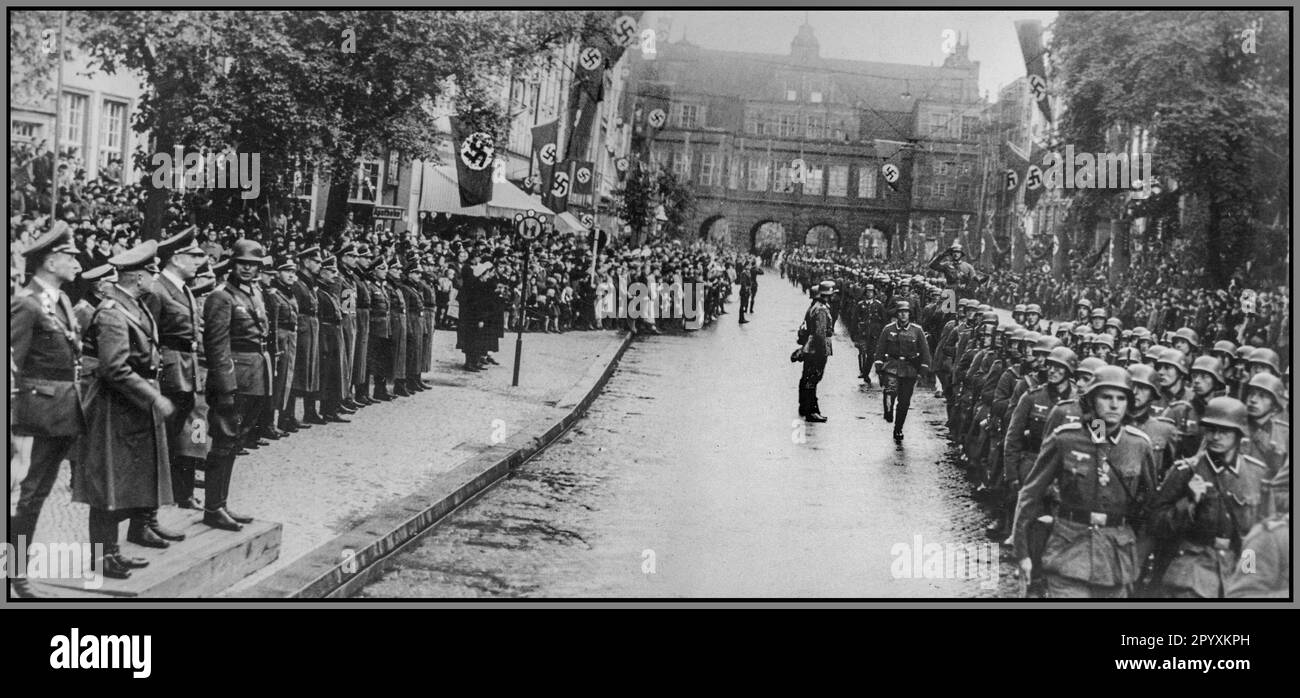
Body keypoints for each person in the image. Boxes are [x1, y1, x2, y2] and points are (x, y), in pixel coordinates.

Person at [74, 240, 175, 580]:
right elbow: (114, 369)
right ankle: (101, 558)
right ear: (138, 277)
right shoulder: (113, 313)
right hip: (115, 410)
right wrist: (152, 397)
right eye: (151, 272)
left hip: (129, 408)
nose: (155, 277)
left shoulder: (134, 305)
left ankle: (113, 551)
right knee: (108, 485)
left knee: (124, 482)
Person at [1011, 367, 1158, 597]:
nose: (1114, 405)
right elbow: (1030, 495)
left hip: (1116, 561)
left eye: (1121, 398)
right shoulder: (1066, 439)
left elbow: (1151, 509)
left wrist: (1136, 558)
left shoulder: (1138, 446)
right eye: (1106, 397)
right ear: (1091, 401)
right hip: (1068, 553)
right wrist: (1023, 554)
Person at [9, 222, 85, 598]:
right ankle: (15, 577)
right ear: (52, 261)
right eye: (71, 256)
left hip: (59, 413)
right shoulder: (26, 302)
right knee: (27, 494)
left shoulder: (61, 300)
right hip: (34, 415)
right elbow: (11, 362)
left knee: (36, 495)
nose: (78, 263)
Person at [1148, 397, 1268, 598]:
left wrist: (1249, 574)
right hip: (1192, 569)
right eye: (1211, 430)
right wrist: (1189, 502)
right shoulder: (1186, 471)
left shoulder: (1254, 473)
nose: (1216, 437)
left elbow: (1260, 533)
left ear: (1239, 435)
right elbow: (1156, 523)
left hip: (1235, 569)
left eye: (1225, 431)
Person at [201, 240, 271, 532]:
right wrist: (226, 388)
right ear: (233, 263)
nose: (247, 268)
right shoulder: (221, 297)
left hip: (255, 375)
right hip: (234, 379)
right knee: (223, 441)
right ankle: (212, 507)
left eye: (253, 264)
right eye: (242, 263)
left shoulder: (254, 292)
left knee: (237, 441)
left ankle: (222, 503)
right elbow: (217, 347)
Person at [142, 226, 208, 526]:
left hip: (187, 367)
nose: (200, 260)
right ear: (177, 258)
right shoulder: (157, 290)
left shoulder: (182, 289)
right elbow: (148, 334)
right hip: (169, 368)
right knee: (164, 437)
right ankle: (151, 510)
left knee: (186, 434)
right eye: (193, 256)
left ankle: (182, 494)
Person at [873, 300, 933, 441]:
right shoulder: (888, 329)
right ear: (897, 314)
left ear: (909, 314)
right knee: (890, 391)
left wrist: (923, 369)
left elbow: (925, 352)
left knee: (904, 402)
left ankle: (898, 428)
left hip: (909, 369)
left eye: (906, 312)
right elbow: (880, 349)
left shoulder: (917, 331)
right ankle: (888, 412)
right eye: (900, 312)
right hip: (892, 366)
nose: (903, 315)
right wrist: (879, 365)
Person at [266, 258, 300, 433]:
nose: (291, 275)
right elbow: (274, 321)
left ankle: (285, 418)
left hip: (291, 337)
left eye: (293, 272)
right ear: (277, 273)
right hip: (281, 338)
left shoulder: (289, 292)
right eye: (287, 271)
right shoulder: (274, 293)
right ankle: (270, 422)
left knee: (288, 379)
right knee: (278, 380)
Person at [290, 246, 323, 423]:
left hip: (311, 328)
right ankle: (289, 415)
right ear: (306, 261)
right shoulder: (297, 283)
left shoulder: (309, 282)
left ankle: (310, 411)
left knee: (311, 369)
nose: (319, 265)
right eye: (316, 261)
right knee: (299, 370)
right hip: (303, 329)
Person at [796, 280, 834, 423]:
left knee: (807, 376)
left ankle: (804, 406)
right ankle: (812, 410)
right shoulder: (822, 309)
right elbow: (820, 333)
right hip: (817, 348)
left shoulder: (814, 306)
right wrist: (821, 352)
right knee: (813, 378)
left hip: (810, 347)